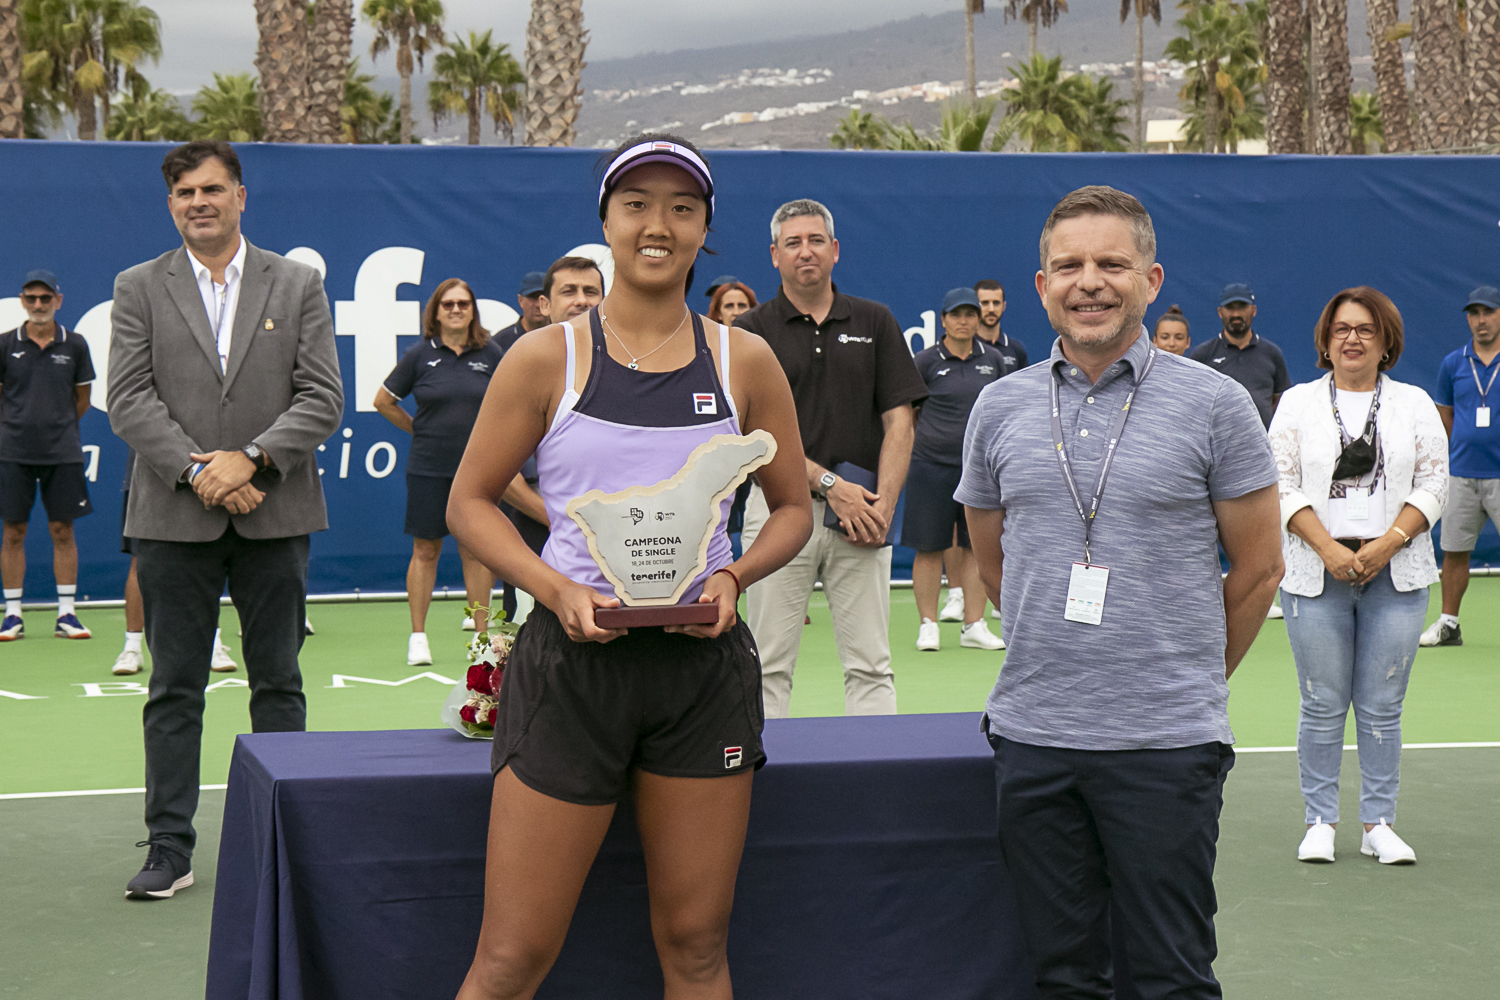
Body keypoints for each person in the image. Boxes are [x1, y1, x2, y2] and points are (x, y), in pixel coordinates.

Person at [447, 133, 811, 1000]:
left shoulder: (742, 359)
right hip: (572, 672)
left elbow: (793, 508)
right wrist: (555, 588)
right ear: (605, 223)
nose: (659, 225)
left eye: (682, 208)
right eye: (637, 205)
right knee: (511, 957)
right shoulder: (547, 356)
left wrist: (733, 578)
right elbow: (469, 501)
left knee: (694, 947)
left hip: (702, 675)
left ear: (705, 230)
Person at [959, 186, 1283, 998]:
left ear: (1150, 277)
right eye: (1068, 265)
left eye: (1112, 263)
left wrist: (1190, 678)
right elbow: (993, 563)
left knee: (1171, 976)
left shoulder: (1217, 405)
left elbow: (1260, 568)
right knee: (1066, 975)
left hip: (1166, 747)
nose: (1089, 281)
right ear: (1042, 286)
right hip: (1035, 740)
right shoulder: (997, 408)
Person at [108, 140, 343, 900]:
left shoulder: (299, 283)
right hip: (173, 520)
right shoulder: (138, 285)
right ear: (171, 204)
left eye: (212, 188)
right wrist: (202, 471)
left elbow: (321, 397)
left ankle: (279, 841)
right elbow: (129, 398)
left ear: (241, 195)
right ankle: (169, 848)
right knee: (173, 688)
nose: (199, 202)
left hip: (275, 516)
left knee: (278, 683)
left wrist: (251, 459)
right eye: (184, 193)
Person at [1270, 286, 1446, 865]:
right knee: (1321, 702)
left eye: (1366, 329)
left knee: (1381, 706)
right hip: (1315, 573)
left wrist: (1385, 546)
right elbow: (1281, 483)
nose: (1352, 338)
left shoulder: (1415, 403)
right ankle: (1319, 819)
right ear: (1325, 339)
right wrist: (1326, 548)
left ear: (1385, 342)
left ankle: (1378, 823)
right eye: (1342, 328)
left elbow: (1433, 483)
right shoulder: (1296, 404)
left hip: (1396, 574)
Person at [735, 198, 927, 717]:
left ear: (835, 250)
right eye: (793, 243)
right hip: (778, 512)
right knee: (766, 664)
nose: (806, 252)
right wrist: (828, 486)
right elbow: (752, 433)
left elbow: (900, 421)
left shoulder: (875, 320)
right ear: (775, 255)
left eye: (816, 240)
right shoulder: (750, 331)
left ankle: (876, 785)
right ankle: (761, 785)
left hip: (862, 516)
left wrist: (881, 503)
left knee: (871, 665)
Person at [374, 278, 502, 666]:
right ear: (436, 311)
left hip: (477, 471)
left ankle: (481, 640)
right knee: (426, 549)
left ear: (472, 310)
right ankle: (418, 638)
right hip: (428, 467)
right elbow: (384, 401)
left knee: (475, 551)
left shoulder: (491, 353)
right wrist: (420, 429)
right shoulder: (419, 355)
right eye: (448, 304)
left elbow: (510, 404)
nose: (456, 310)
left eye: (463, 303)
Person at [495, 255, 606, 625]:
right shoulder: (521, 368)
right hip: (536, 535)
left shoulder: (632, 370)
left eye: (591, 291)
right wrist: (561, 519)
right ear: (544, 304)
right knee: (532, 649)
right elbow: (501, 478)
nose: (581, 300)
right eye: (569, 291)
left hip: (615, 542)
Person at [906, 287, 1006, 652]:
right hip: (931, 466)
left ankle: (974, 625)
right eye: (956, 314)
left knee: (976, 548)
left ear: (978, 319)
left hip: (980, 471)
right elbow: (909, 416)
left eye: (970, 314)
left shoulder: (993, 360)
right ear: (944, 320)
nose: (963, 321)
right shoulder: (926, 360)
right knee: (929, 547)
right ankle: (928, 624)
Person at [0, 269, 95, 641]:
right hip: (13, 454)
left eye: (45, 298)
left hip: (63, 453)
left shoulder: (76, 345)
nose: (38, 305)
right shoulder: (6, 344)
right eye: (31, 298)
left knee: (62, 530)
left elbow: (82, 399)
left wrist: (57, 427)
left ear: (58, 300)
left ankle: (67, 615)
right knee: (12, 532)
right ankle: (12, 616)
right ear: (23, 301)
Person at [112, 447, 239, 675]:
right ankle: (131, 647)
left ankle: (214, 643)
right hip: (151, 480)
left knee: (209, 557)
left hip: (211, 474)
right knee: (139, 561)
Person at [1421, 284, 1500, 647]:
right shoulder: (1454, 363)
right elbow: (1445, 417)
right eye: (1474, 314)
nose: (1481, 321)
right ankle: (1449, 624)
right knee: (1454, 551)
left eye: (1488, 312)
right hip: (1461, 475)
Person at [1189, 282, 1291, 427]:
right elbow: (1193, 403)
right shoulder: (1203, 355)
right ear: (1220, 312)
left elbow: (1282, 402)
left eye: (1242, 307)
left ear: (1254, 310)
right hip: (1218, 445)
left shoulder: (1272, 354)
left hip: (1263, 444)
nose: (1236, 314)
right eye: (1230, 308)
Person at [973, 278, 1029, 370]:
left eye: (996, 303)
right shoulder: (966, 349)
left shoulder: (1016, 350)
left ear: (1004, 306)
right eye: (985, 303)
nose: (991, 309)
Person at [492, 271, 548, 351]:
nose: (538, 305)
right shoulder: (500, 343)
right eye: (533, 297)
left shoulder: (563, 337)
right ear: (520, 300)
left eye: (544, 297)